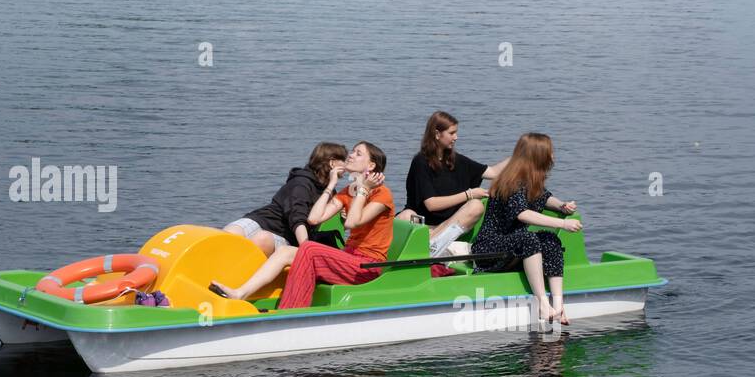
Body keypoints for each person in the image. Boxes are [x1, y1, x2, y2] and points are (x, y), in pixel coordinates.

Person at [210, 142, 393, 309]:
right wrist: (332, 184)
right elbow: (314, 218)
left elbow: (352, 222)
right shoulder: (347, 192)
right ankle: (240, 293)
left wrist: (363, 189)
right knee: (285, 252)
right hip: (348, 257)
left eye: (358, 153)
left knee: (309, 249)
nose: (351, 155)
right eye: (352, 151)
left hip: (367, 266)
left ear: (371, 166)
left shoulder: (382, 194)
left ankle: (291, 310)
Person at [471, 133, 580, 325]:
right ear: (539, 155)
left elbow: (544, 198)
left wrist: (562, 205)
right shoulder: (511, 182)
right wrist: (563, 223)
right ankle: (542, 304)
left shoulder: (531, 180)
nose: (553, 157)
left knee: (549, 240)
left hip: (513, 247)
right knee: (527, 239)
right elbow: (523, 214)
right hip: (489, 250)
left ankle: (559, 304)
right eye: (550, 152)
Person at [401, 111, 509, 257]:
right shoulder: (421, 162)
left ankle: (431, 245)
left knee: (476, 206)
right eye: (451, 133)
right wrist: (469, 194)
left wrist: (519, 155)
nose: (456, 137)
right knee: (406, 215)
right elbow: (431, 204)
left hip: (448, 225)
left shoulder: (456, 160)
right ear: (437, 134)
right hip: (423, 225)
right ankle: (433, 245)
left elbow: (493, 172)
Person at [222, 142, 348, 255]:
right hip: (263, 220)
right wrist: (306, 248)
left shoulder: (329, 192)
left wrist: (342, 216)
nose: (347, 165)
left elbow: (322, 219)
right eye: (344, 160)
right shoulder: (301, 183)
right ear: (332, 163)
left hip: (284, 235)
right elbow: (297, 217)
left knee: (261, 239)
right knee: (229, 234)